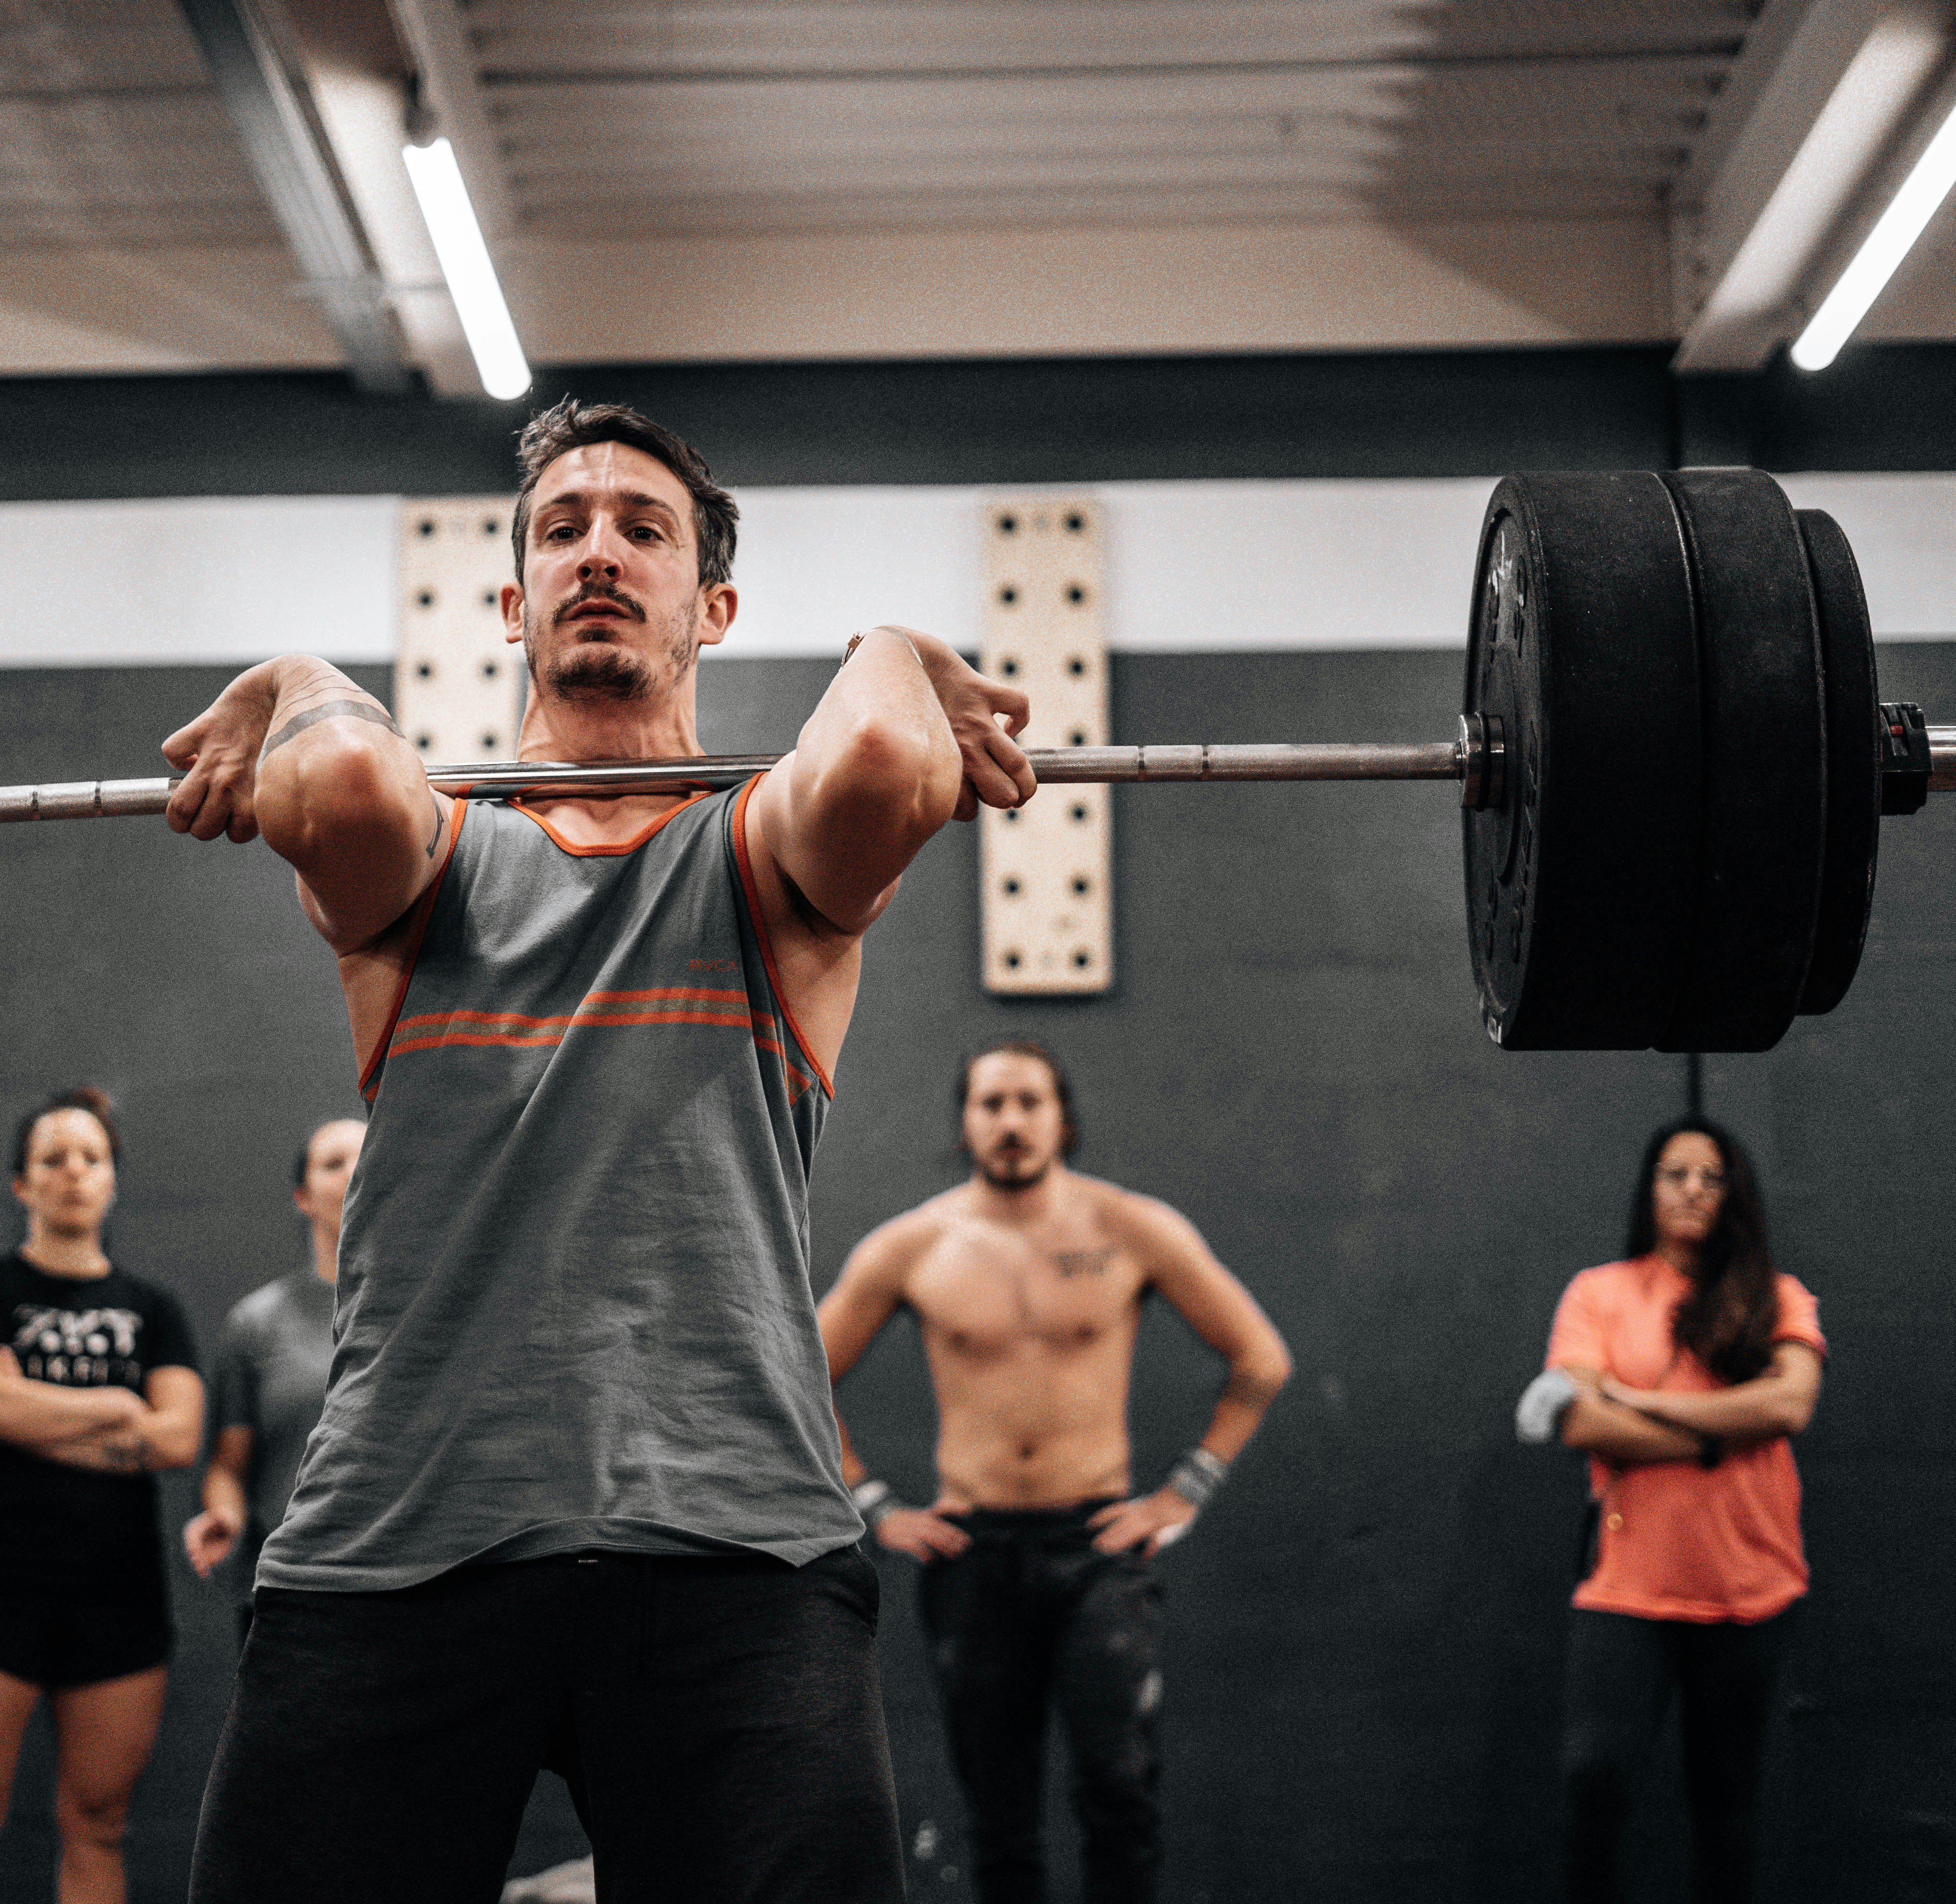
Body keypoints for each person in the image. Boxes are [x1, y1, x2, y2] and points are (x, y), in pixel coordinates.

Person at [157, 397, 1040, 1903]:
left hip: (732, 1542)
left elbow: (892, 766)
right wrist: (306, 676)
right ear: (510, 603)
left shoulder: (763, 857)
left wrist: (889, 645)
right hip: (398, 1536)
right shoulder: (433, 858)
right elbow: (340, 786)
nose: (597, 554)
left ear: (713, 608)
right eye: (559, 531)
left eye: (643, 530)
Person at [816, 1040, 1292, 1904]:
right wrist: (875, 1504)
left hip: (1094, 1551)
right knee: (1000, 1819)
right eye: (991, 1104)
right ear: (965, 1123)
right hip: (973, 1552)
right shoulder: (916, 1245)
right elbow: (800, 1373)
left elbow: (1259, 1360)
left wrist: (1185, 1494)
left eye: (1028, 1102)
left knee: (1118, 1790)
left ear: (1061, 1117)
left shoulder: (1129, 1229)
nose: (1010, 1122)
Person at [0, 1087, 206, 1904]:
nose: (73, 1173)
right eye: (53, 1159)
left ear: (112, 1179)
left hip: (117, 1593)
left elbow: (179, 1440)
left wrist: (40, 1415)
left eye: (91, 1158)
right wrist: (119, 1410)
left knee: (99, 1824)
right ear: (22, 1184)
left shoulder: (155, 1311)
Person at [1526, 1119, 1825, 1904]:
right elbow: (1582, 1421)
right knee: (1596, 1781)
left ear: (1735, 1195)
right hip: (1627, 1590)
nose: (1692, 1189)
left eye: (1711, 1176)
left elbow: (1790, 1404)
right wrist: (1721, 1435)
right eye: (1674, 1174)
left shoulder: (1776, 1297)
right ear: (1650, 1189)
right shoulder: (1599, 1293)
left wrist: (1636, 1402)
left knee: (1726, 1812)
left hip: (1750, 1590)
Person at [183, 1117, 362, 1636]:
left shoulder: (430, 1312)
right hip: (291, 1598)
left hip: (409, 1590)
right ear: (303, 1196)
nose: (353, 1172)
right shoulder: (256, 1322)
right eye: (333, 1163)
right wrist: (226, 1516)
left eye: (365, 1157)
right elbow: (229, 1468)